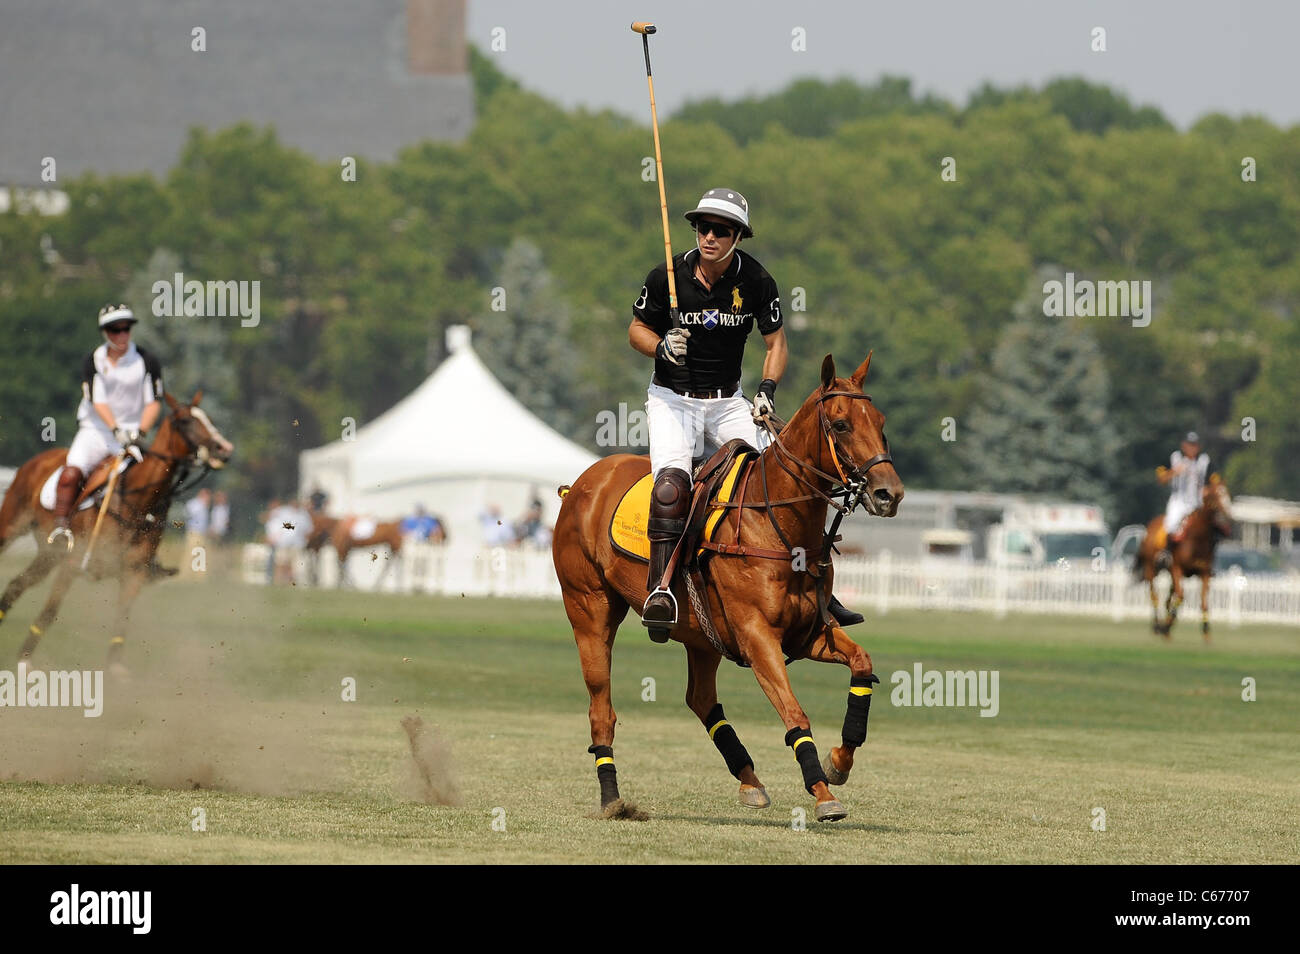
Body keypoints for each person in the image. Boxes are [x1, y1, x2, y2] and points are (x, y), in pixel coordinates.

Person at [629, 187, 862, 639]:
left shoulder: (756, 282)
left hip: (728, 402)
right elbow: (636, 329)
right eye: (703, 227)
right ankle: (661, 589)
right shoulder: (667, 276)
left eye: (721, 230)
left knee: (790, 477)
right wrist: (660, 346)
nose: (709, 237)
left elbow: (776, 344)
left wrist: (767, 391)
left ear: (738, 236)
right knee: (671, 489)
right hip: (672, 400)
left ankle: (819, 587)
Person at [47, 304, 164, 549]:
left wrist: (139, 432)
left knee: (153, 483)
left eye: (126, 329)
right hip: (96, 431)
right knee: (70, 475)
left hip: (132, 434)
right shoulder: (94, 360)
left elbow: (153, 403)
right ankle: (61, 528)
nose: (121, 335)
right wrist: (115, 430)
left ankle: (147, 544)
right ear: (105, 332)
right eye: (115, 330)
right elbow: (97, 401)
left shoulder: (146, 360)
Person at [1156, 431, 1213, 554]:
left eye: (1195, 445)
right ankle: (1166, 553)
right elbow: (1161, 479)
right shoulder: (1174, 457)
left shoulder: (1204, 461)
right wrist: (1174, 472)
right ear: (1183, 445)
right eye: (1190, 444)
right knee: (1171, 524)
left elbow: (1215, 482)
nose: (1192, 448)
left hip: (1198, 504)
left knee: (1213, 528)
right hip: (1179, 501)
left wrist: (1207, 490)